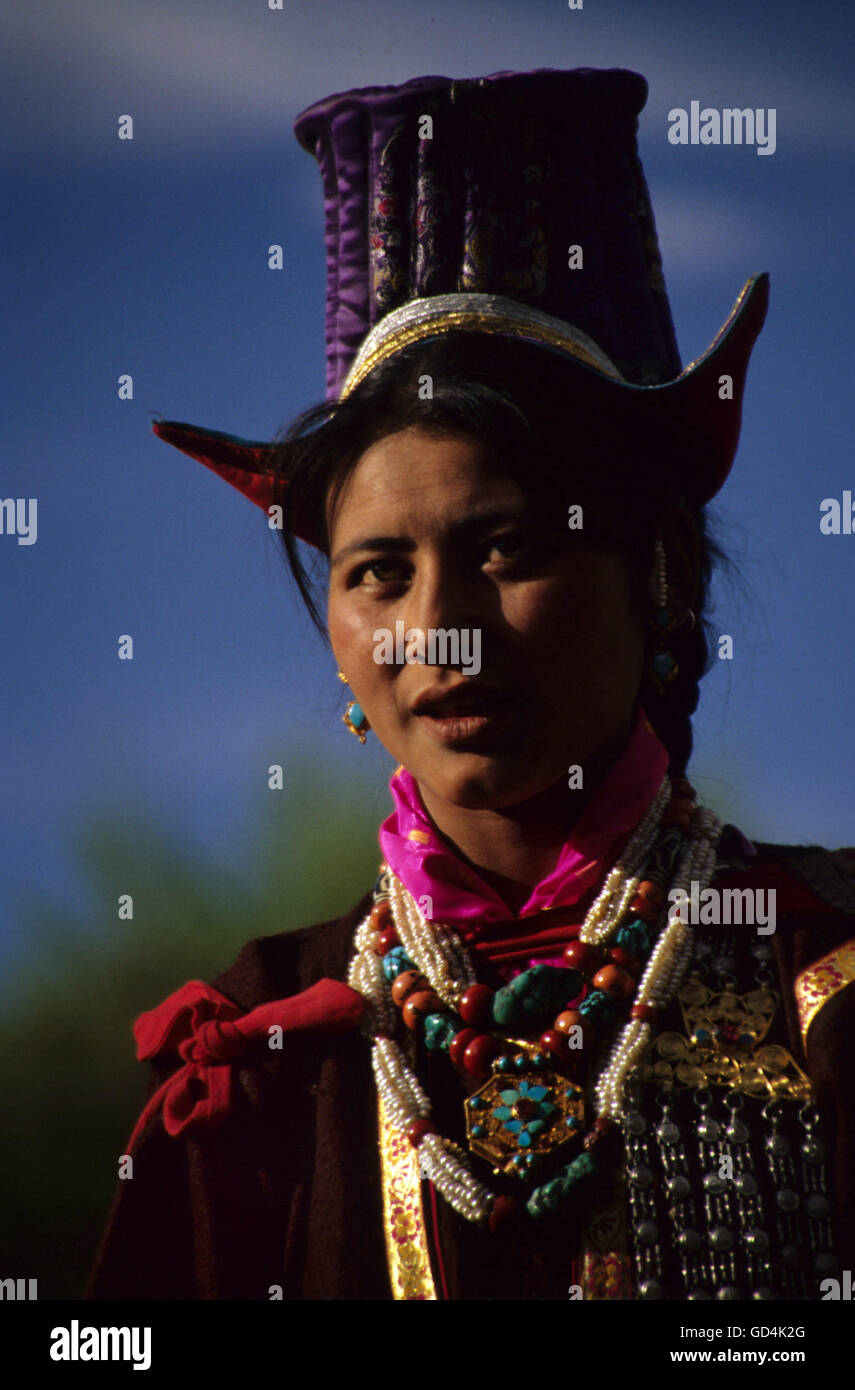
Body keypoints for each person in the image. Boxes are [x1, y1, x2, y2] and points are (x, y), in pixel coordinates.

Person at [88, 67, 855, 1301]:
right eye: (379, 572)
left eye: (508, 550)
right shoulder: (263, 1040)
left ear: (654, 571)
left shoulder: (826, 961)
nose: (438, 633)